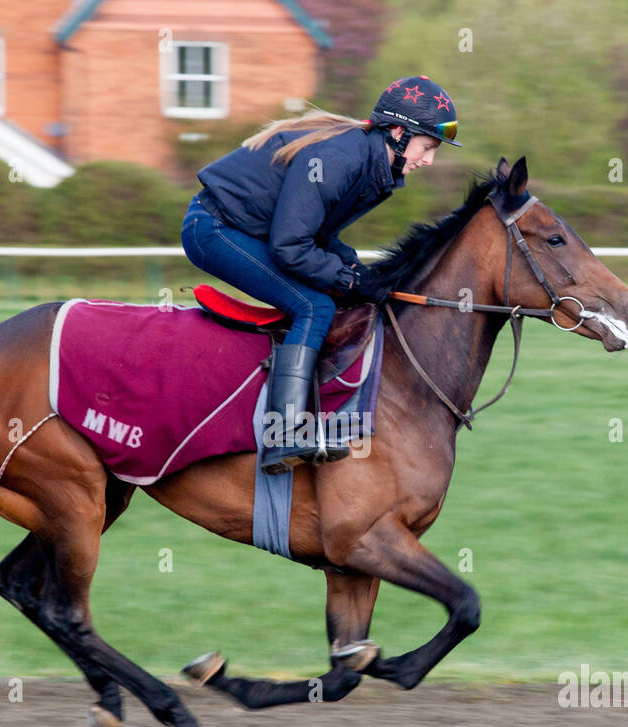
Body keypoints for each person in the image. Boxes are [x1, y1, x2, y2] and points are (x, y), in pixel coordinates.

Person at [181, 75, 461, 474]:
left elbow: (320, 234)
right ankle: (284, 436)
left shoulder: (368, 161)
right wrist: (349, 280)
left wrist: (361, 275)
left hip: (245, 229)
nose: (429, 159)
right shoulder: (342, 159)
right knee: (313, 306)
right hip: (214, 230)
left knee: (340, 294)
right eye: (428, 146)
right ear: (399, 132)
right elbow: (291, 247)